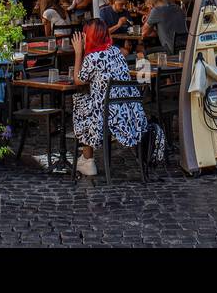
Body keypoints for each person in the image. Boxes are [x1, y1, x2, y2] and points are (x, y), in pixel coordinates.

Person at [70, 19, 165, 178]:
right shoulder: (116, 52)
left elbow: (78, 80)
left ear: (91, 36)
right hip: (130, 112)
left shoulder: (93, 58)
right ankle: (86, 160)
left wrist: (78, 53)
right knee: (87, 102)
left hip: (109, 115)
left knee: (81, 101)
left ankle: (88, 160)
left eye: (85, 35)